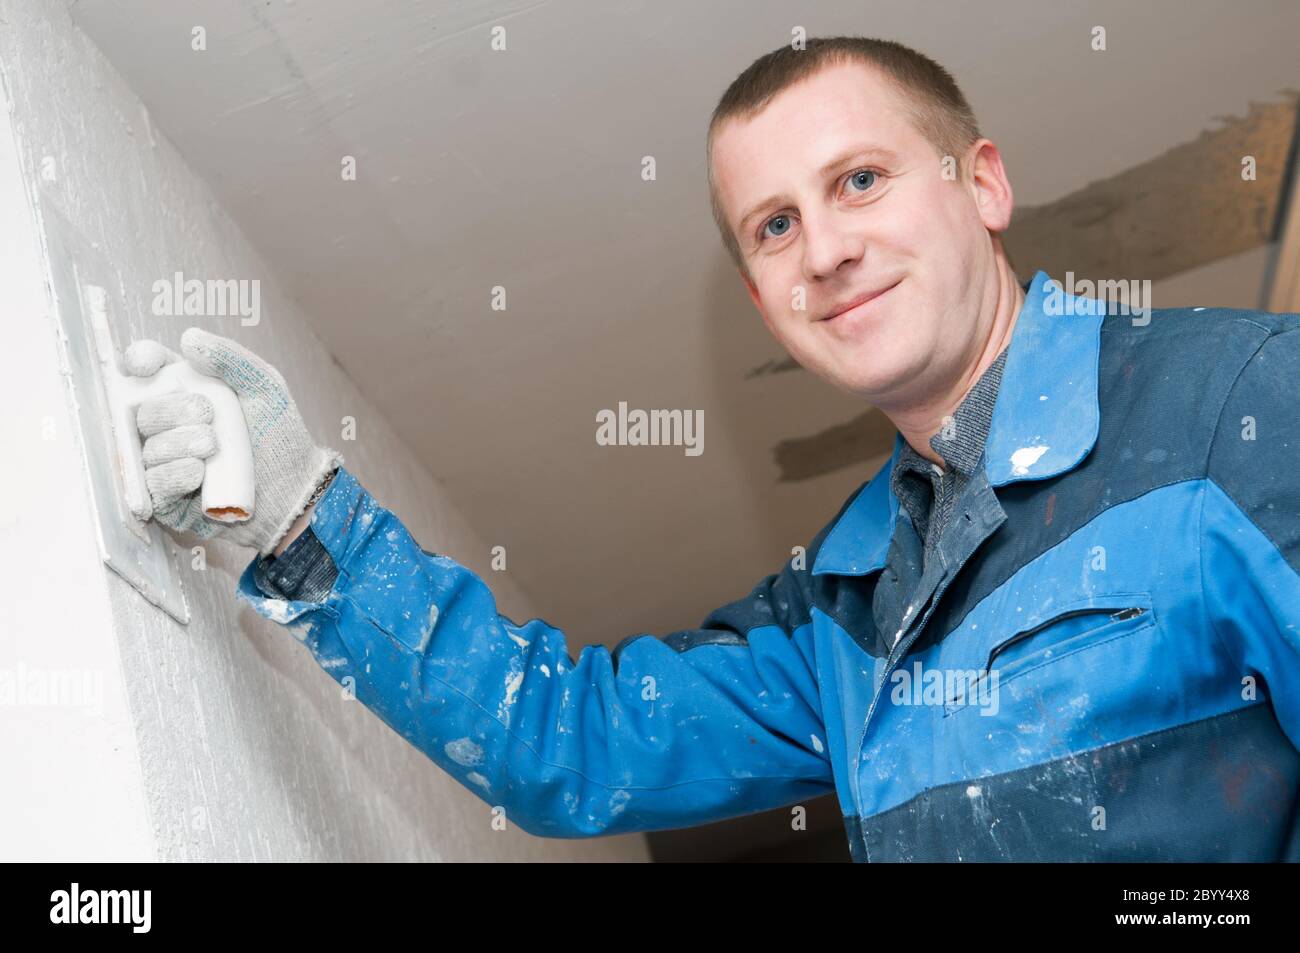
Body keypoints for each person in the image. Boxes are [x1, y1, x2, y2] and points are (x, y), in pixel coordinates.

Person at [125, 36, 1300, 861]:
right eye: (776, 224)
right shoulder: (844, 601)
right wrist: (293, 509)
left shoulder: (1238, 403)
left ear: (981, 183)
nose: (826, 249)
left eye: (860, 180)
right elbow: (572, 745)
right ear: (759, 295)